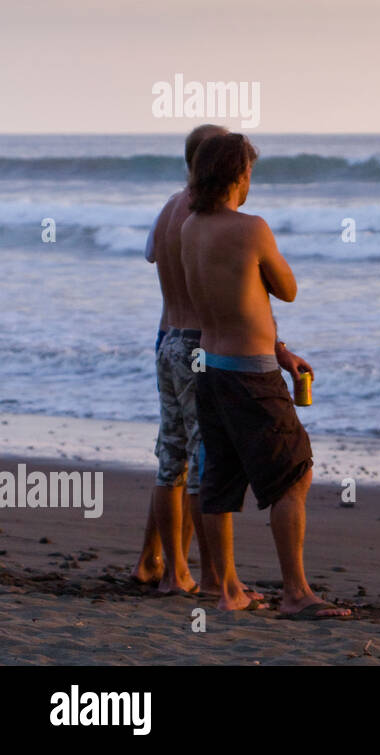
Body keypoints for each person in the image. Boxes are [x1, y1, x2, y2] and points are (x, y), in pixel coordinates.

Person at [181, 133, 350, 619]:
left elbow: (233, 301)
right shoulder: (251, 228)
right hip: (251, 380)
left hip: (211, 368)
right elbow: (288, 289)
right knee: (294, 473)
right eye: (249, 172)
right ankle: (296, 592)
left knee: (220, 478)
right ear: (238, 175)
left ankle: (228, 588)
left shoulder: (190, 226)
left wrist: (278, 349)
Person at [134, 123, 228, 594]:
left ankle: (170, 570)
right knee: (200, 459)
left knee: (171, 460)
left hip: (165, 337)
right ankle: (209, 576)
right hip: (195, 345)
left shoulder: (170, 206)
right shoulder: (204, 213)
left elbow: (151, 254)